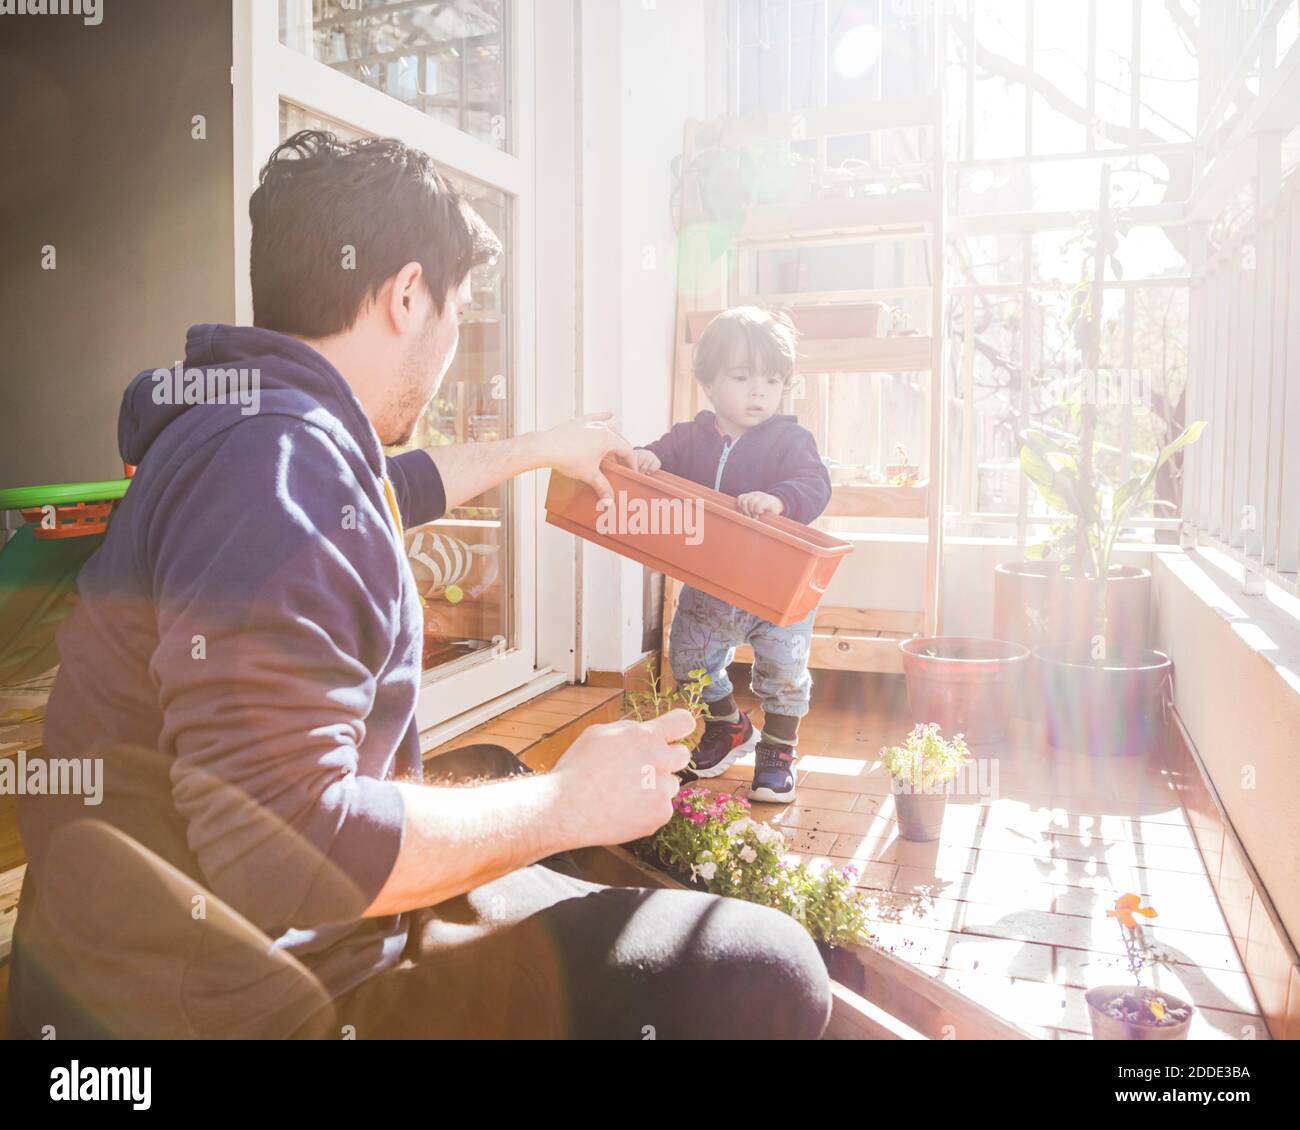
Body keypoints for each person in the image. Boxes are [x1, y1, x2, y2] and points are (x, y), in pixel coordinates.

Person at [9, 132, 830, 1040]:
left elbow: (369, 500)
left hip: (118, 958)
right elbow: (281, 854)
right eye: (458, 313)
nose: (451, 348)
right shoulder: (278, 470)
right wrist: (568, 804)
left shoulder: (244, 424)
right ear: (407, 294)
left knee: (496, 778)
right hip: (238, 1003)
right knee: (767, 971)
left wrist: (535, 449)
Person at [634, 308, 833, 804]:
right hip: (711, 582)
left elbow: (815, 485)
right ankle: (729, 726)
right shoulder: (689, 438)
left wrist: (782, 498)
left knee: (783, 671)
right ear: (708, 383)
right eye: (742, 378)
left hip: (777, 587)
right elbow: (656, 458)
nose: (758, 391)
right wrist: (647, 459)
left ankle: (778, 752)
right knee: (687, 657)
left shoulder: (791, 440)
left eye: (771, 380)